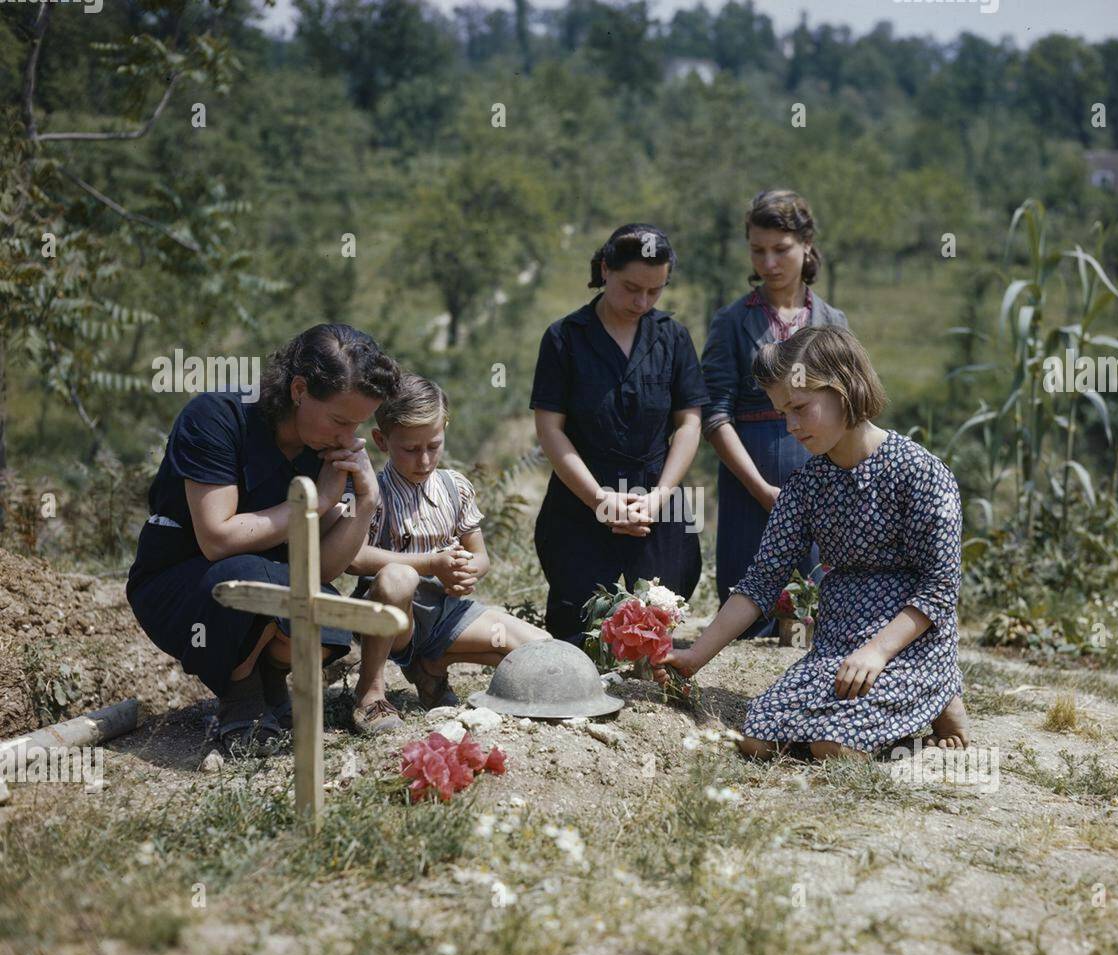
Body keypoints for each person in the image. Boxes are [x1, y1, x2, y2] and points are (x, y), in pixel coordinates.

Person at [658, 325, 970, 758]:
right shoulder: (806, 485)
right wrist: (695, 657)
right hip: (837, 643)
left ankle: (940, 689)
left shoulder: (920, 472)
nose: (790, 426)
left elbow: (939, 587)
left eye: (800, 408)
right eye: (782, 413)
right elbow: (762, 582)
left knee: (833, 748)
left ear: (844, 389)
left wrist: (877, 653)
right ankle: (917, 704)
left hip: (910, 640)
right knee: (757, 740)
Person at [126, 323, 401, 752]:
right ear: (298, 389)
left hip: (272, 580)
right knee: (247, 575)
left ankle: (266, 679)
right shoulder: (216, 417)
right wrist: (315, 502)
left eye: (358, 424)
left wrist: (366, 503)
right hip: (181, 583)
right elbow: (217, 538)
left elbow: (324, 568)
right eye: (339, 420)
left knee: (328, 613)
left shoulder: (327, 450)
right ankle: (243, 695)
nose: (349, 438)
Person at [530, 223, 710, 642]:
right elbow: (550, 428)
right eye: (631, 287)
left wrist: (660, 497)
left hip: (656, 495)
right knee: (579, 629)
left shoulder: (673, 337)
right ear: (605, 269)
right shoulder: (564, 338)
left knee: (659, 617)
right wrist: (599, 500)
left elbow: (689, 423)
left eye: (655, 291)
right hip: (581, 497)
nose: (642, 301)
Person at [346, 374, 550, 734]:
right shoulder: (373, 494)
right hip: (393, 618)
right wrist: (430, 564)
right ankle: (370, 693)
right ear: (382, 440)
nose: (424, 460)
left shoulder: (455, 487)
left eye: (433, 446)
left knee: (540, 648)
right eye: (410, 449)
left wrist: (466, 571)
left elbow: (480, 555)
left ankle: (431, 666)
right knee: (399, 577)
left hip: (444, 613)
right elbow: (354, 557)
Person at [701, 189, 849, 637]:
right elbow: (715, 414)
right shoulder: (731, 322)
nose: (768, 263)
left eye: (781, 249)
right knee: (751, 607)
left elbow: (847, 406)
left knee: (816, 608)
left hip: (821, 479)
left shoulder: (832, 321)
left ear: (807, 246)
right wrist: (762, 489)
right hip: (750, 482)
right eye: (757, 250)